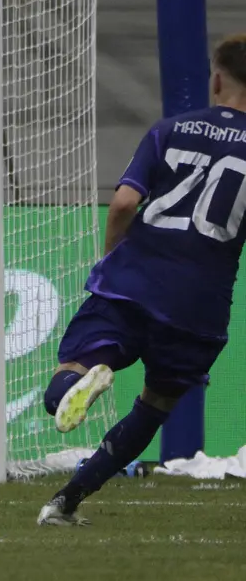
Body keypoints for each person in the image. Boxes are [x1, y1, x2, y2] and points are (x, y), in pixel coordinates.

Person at [37, 34, 246, 527]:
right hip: (201, 303)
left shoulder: (170, 129)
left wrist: (114, 262)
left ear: (216, 79)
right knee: (156, 404)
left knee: (69, 372)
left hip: (135, 280)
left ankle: (80, 381)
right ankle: (65, 502)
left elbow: (125, 204)